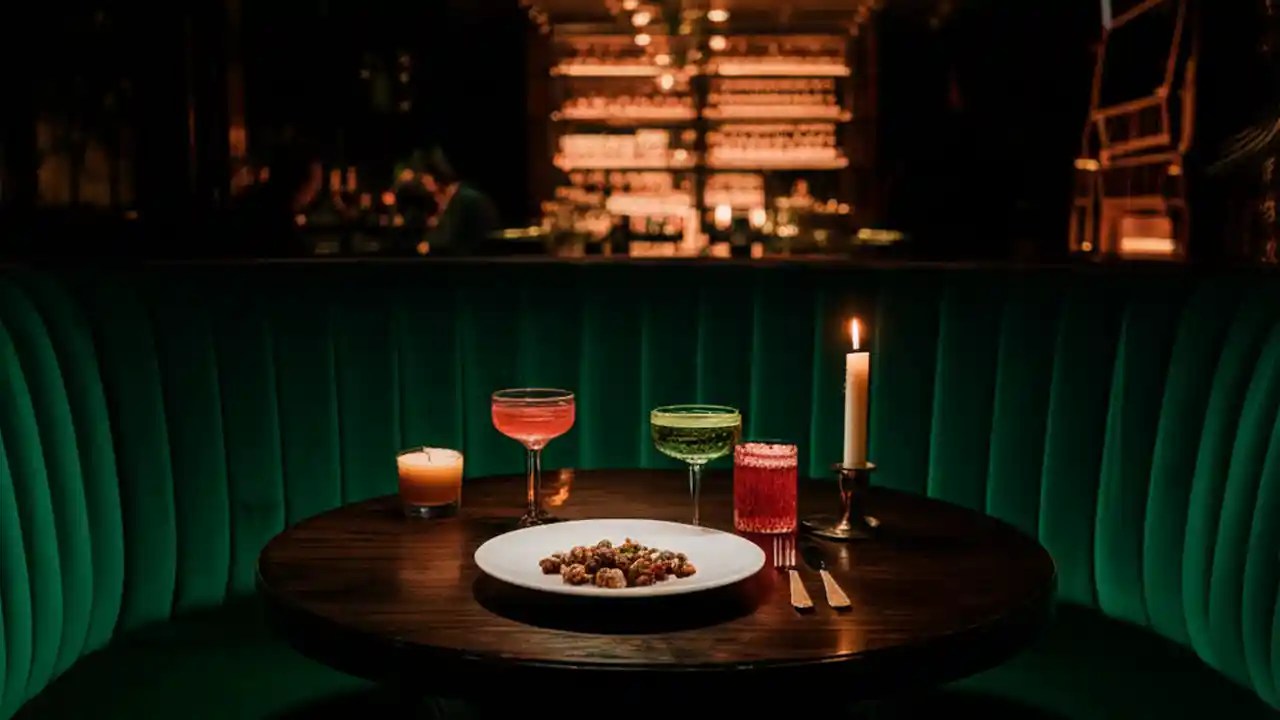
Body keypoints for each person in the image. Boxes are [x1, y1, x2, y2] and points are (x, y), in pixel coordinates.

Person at [226, 143, 323, 257]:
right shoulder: (279, 228)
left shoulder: (251, 206)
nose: (316, 191)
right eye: (315, 185)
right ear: (300, 184)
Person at [419, 146, 500, 254]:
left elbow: (452, 241)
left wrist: (429, 244)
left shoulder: (465, 200)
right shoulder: (457, 197)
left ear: (435, 175)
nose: (422, 181)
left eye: (424, 176)